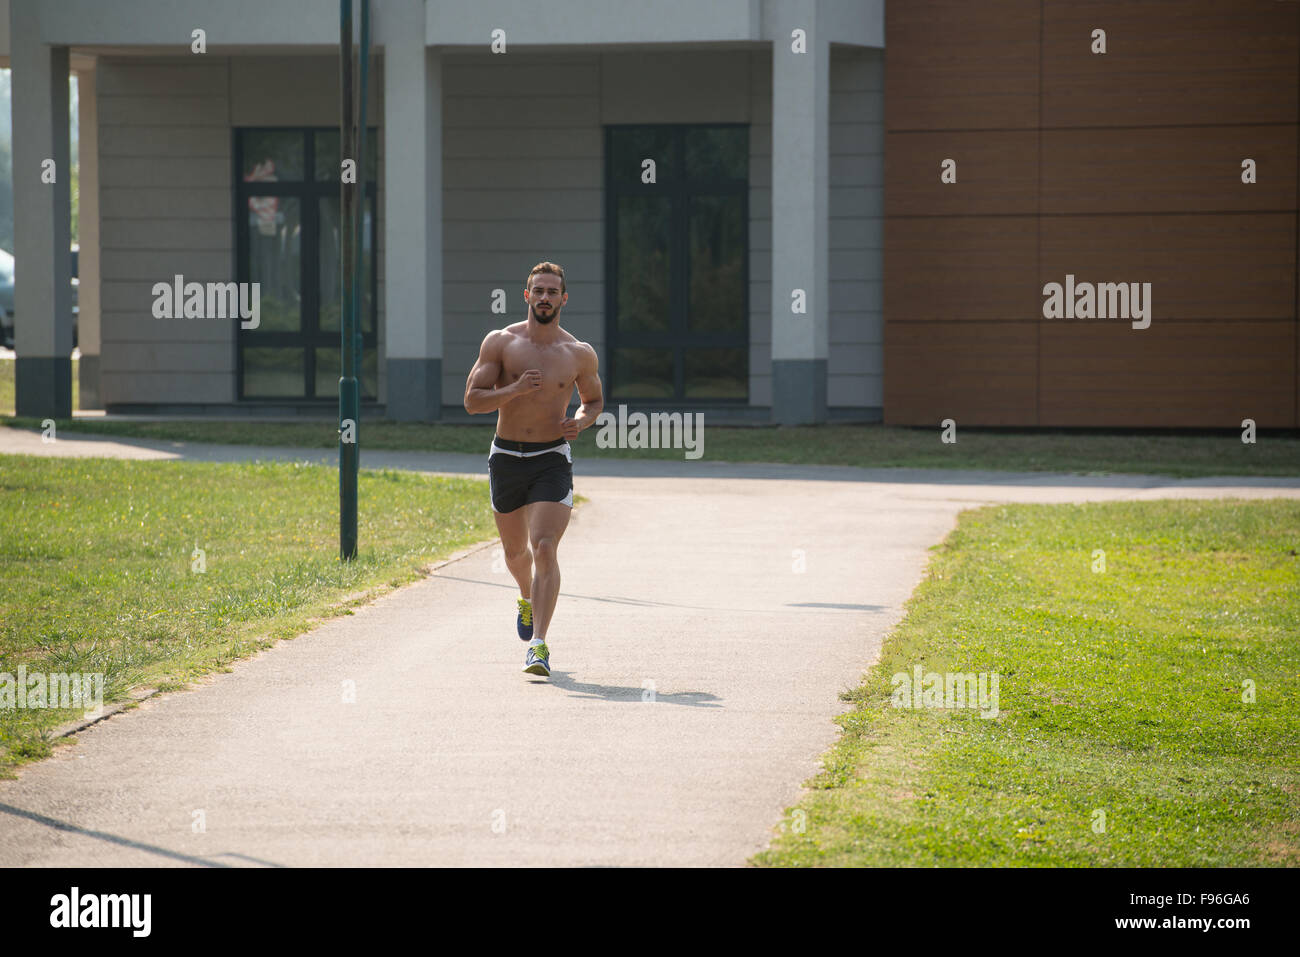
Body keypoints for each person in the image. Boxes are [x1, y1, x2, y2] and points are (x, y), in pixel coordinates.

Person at [463, 262, 604, 677]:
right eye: (537, 291)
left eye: (552, 291)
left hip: (551, 458)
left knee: (544, 546)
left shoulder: (578, 353)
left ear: (564, 298)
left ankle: (538, 646)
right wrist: (515, 389)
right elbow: (473, 400)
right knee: (514, 552)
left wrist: (579, 421)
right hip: (506, 456)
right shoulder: (501, 343)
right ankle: (525, 593)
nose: (545, 298)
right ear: (526, 296)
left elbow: (594, 401)